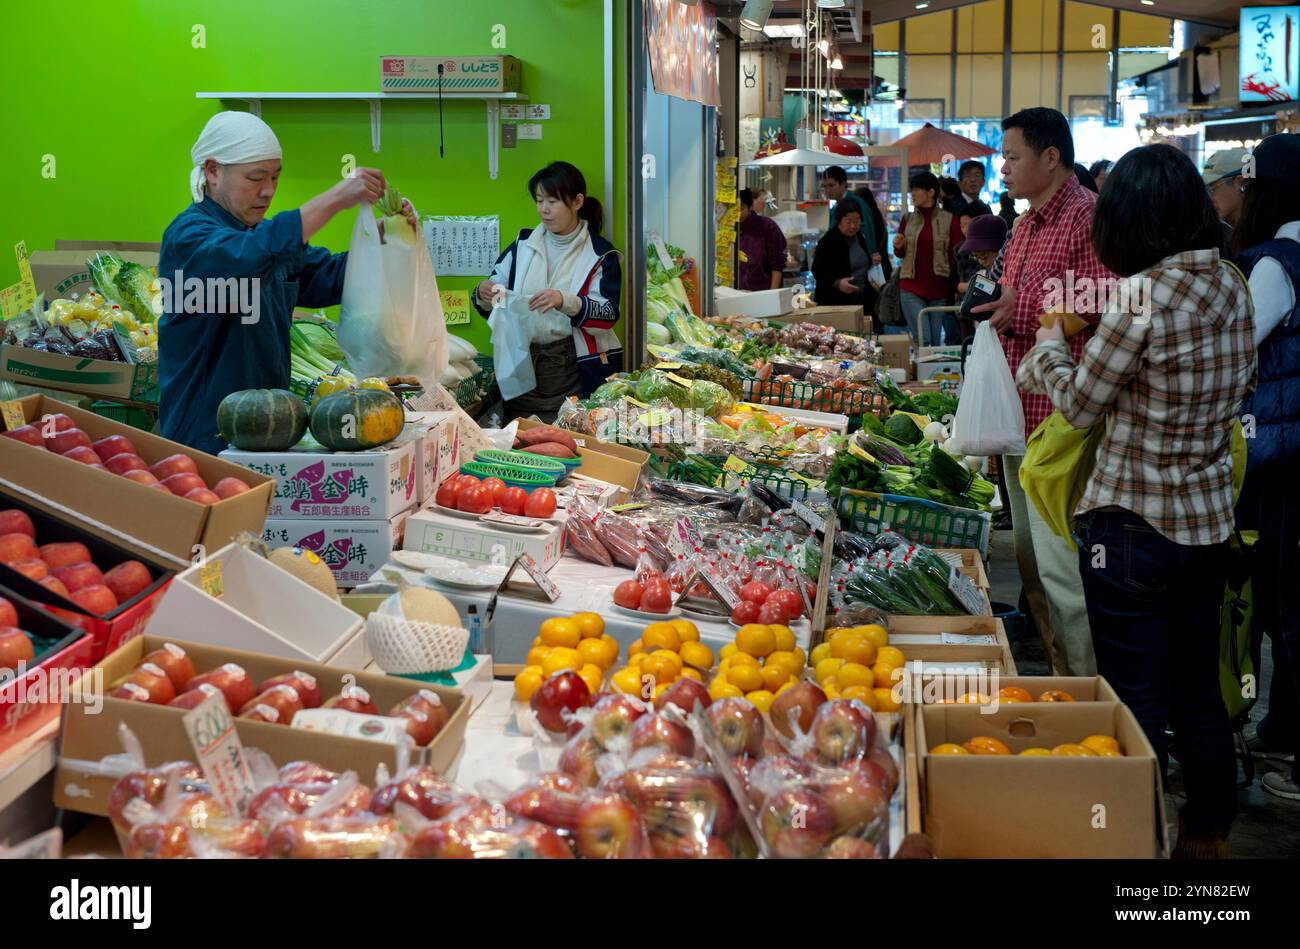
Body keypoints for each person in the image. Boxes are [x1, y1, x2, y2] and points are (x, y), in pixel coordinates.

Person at [1017, 143, 1256, 857]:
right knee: (1198, 694)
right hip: (1208, 525)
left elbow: (1083, 405)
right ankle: (1206, 836)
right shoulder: (1234, 284)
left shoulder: (1139, 296)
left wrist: (1052, 345)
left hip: (1130, 529)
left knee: (1135, 700)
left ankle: (1134, 839)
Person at [159, 111, 417, 454]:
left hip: (267, 430)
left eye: (275, 178)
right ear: (212, 171)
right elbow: (252, 254)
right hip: (207, 436)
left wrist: (384, 241)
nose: (267, 191)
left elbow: (329, 277)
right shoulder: (190, 238)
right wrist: (337, 199)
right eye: (255, 178)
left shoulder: (258, 235)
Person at [972, 107, 1111, 678]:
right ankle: (1057, 673)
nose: (1002, 168)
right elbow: (1009, 295)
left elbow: (1106, 296)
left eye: (1012, 156)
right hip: (1016, 413)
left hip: (1062, 420)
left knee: (1063, 565)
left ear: (1050, 156)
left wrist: (1021, 309)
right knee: (1031, 559)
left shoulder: (1088, 217)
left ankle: (1085, 686)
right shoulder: (1024, 225)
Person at [1229, 133, 1300, 802]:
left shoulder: (1277, 262)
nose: (1239, 200)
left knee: (1281, 598)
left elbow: (1235, 348)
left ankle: (1286, 730)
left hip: (1280, 455)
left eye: (1248, 188)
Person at [473, 161, 621, 422]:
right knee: (520, 443)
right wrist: (484, 293)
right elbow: (501, 300)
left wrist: (565, 301)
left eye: (552, 201)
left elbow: (608, 315)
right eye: (539, 200)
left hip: (572, 370)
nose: (544, 209)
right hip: (522, 365)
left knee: (568, 441)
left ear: (577, 202)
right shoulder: (523, 245)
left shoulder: (600, 253)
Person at [892, 171, 963, 346]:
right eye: (912, 190)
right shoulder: (907, 219)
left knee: (936, 342)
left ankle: (931, 374)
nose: (913, 194)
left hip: (938, 288)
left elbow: (957, 254)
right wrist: (898, 246)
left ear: (931, 192)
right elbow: (900, 254)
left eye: (917, 190)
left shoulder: (949, 220)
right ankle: (919, 373)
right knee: (924, 339)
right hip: (910, 286)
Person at [812, 203, 875, 308]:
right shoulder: (828, 241)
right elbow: (817, 270)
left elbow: (860, 260)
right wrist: (838, 283)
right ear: (839, 221)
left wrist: (871, 260)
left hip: (860, 299)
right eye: (848, 221)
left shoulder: (859, 237)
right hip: (835, 301)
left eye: (857, 221)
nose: (853, 226)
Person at [821, 166, 877, 263]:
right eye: (824, 186)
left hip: (856, 263)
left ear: (843, 184)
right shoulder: (836, 206)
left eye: (831, 185)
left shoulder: (857, 204)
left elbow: (868, 234)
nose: (827, 190)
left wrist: (870, 257)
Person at [737, 188, 788, 291]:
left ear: (750, 206)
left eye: (741, 208)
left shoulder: (767, 226)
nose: (737, 213)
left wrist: (772, 293)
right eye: (733, 209)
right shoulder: (729, 228)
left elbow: (777, 264)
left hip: (762, 291)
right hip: (733, 293)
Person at [1203, 147, 1248, 247]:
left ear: (1240, 183)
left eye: (1212, 189)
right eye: (1205, 191)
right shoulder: (1219, 234)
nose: (1208, 199)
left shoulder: (1260, 236)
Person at [955, 213, 1007, 295]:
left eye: (984, 256)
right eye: (976, 257)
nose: (980, 262)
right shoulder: (982, 276)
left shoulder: (1012, 277)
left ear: (1001, 250)